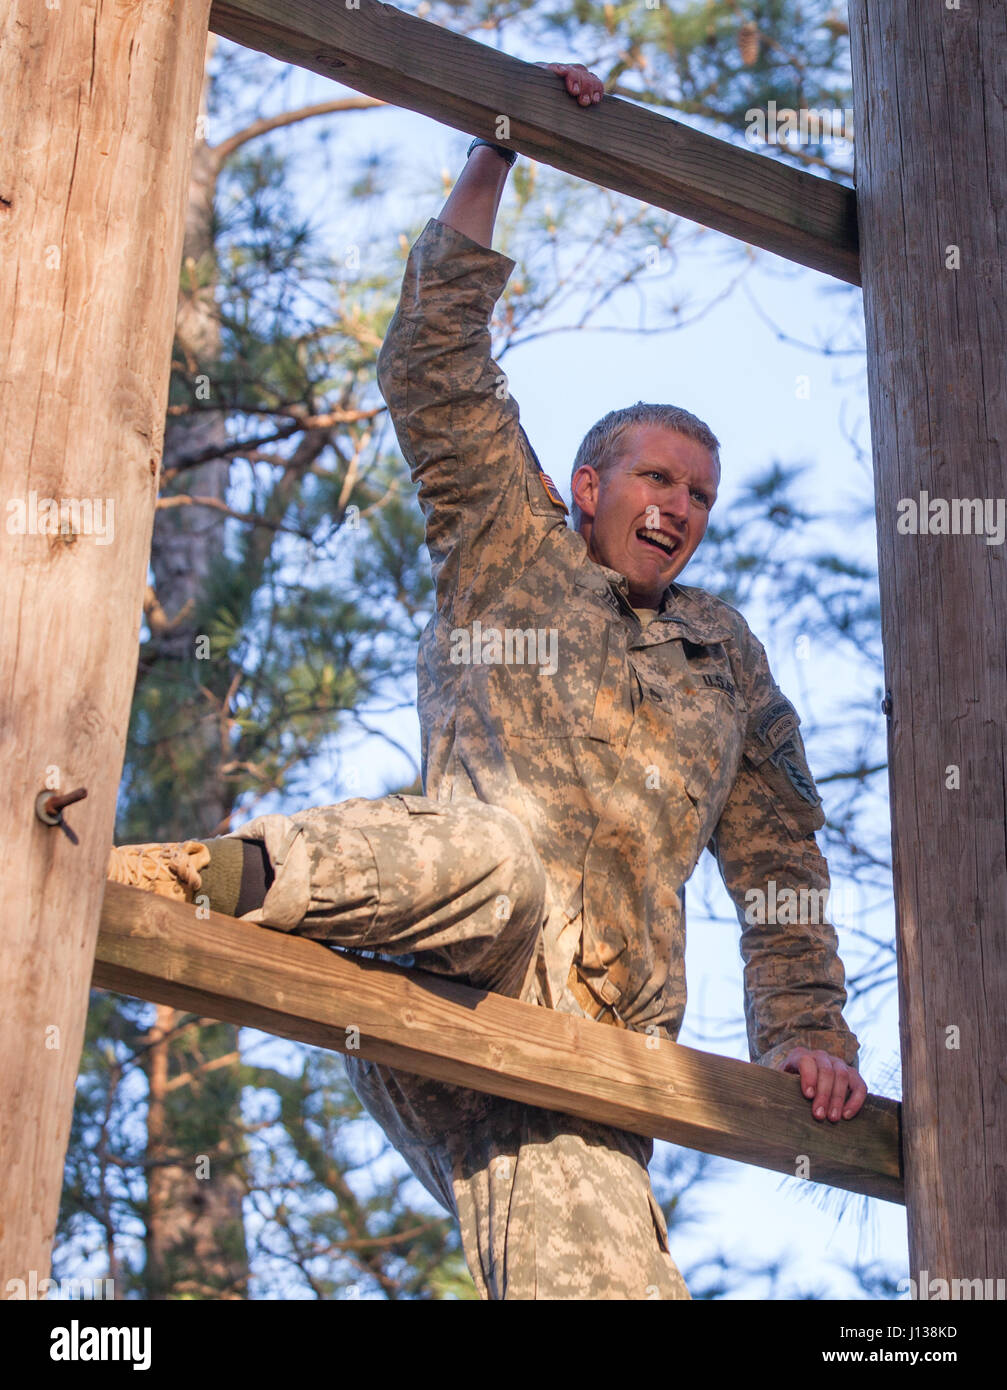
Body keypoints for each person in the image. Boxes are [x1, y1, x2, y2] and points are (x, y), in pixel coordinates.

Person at [109, 62, 867, 1300]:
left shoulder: (724, 658)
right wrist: (499, 142)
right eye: (656, 480)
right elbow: (435, 354)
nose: (678, 509)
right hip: (436, 959)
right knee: (497, 860)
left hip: (584, 1041)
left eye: (699, 497)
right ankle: (203, 877)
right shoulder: (503, 539)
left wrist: (804, 1037)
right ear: (586, 486)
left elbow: (780, 866)